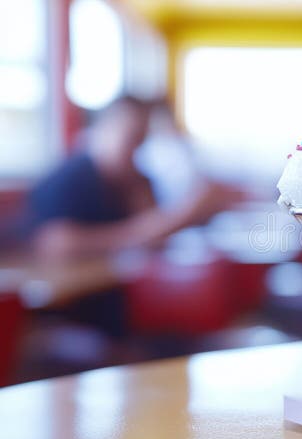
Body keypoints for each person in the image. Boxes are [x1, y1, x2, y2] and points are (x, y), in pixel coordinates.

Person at [27, 95, 241, 337]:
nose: (136, 149)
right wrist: (184, 213)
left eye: (142, 139)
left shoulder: (136, 180)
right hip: (71, 310)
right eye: (130, 137)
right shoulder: (70, 177)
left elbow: (156, 238)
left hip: (120, 297)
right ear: (102, 131)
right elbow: (56, 244)